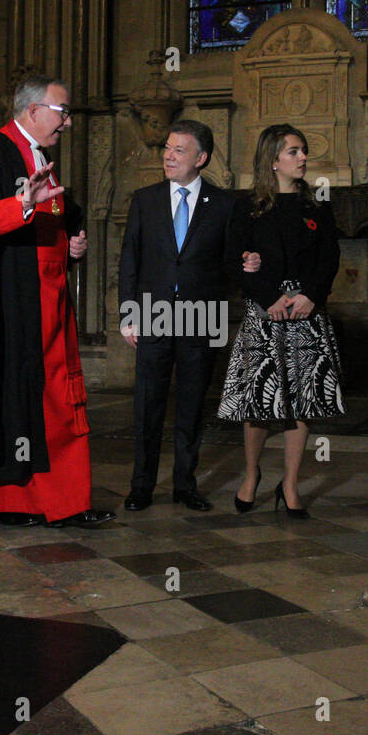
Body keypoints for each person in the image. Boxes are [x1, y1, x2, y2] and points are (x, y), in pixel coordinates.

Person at [0, 74, 113, 528]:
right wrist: (21, 204)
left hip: (49, 303)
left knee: (58, 398)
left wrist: (70, 245)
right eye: (63, 112)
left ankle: (65, 500)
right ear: (32, 110)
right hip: (13, 308)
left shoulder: (43, 159)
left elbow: (55, 221)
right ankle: (17, 500)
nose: (68, 123)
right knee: (25, 402)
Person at [118, 120, 254, 512]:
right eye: (168, 148)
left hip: (202, 316)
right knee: (148, 404)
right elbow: (130, 260)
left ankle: (185, 484)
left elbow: (231, 263)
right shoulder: (144, 200)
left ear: (201, 158)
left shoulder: (226, 204)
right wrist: (129, 315)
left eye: (179, 150)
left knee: (192, 406)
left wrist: (249, 264)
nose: (169, 155)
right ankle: (141, 486)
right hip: (152, 314)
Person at [218, 125, 345, 518]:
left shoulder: (317, 206)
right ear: (273, 161)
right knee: (258, 402)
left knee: (303, 403)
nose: (303, 157)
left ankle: (289, 484)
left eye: (303, 150)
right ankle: (252, 475)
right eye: (293, 151)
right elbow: (234, 261)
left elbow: (330, 257)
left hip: (308, 312)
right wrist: (269, 297)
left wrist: (310, 295)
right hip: (265, 311)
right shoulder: (248, 207)